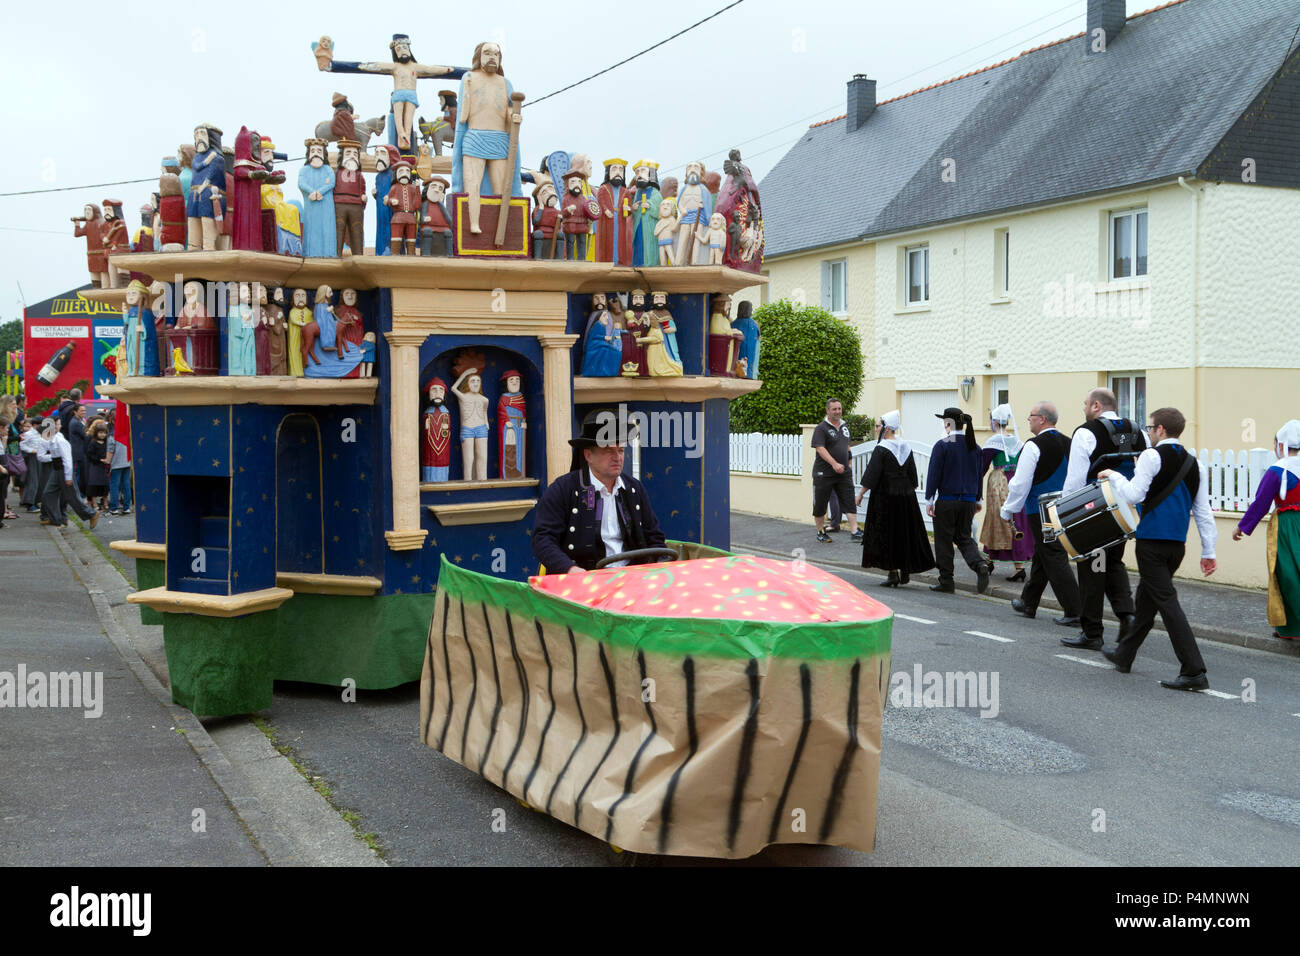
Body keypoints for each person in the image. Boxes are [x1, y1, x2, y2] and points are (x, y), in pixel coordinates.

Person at [1097, 407, 1216, 690]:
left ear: (1161, 429)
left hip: (1151, 544)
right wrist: (1208, 551)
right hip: (1177, 546)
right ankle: (1124, 655)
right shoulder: (1195, 463)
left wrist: (1113, 475)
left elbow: (1134, 494)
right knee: (1147, 602)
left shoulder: (1151, 456)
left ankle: (1194, 670)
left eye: (1150, 429)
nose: (1148, 433)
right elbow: (1203, 512)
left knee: (1167, 603)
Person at [1061, 387, 1148, 650]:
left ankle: (1092, 632)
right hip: (1125, 509)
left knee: (1092, 568)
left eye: (1086, 404)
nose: (1084, 408)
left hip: (1094, 508)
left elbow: (1075, 479)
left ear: (1096, 406)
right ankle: (1127, 614)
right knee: (1113, 562)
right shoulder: (1140, 431)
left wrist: (1066, 512)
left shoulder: (1086, 432)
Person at [532, 410, 667, 574]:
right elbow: (543, 539)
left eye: (620, 450)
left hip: (632, 578)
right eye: (609, 451)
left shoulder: (634, 489)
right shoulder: (563, 489)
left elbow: (654, 537)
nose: (617, 457)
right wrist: (570, 569)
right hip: (585, 581)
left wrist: (659, 566)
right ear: (588, 455)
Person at [1001, 402, 1082, 624]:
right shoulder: (1070, 443)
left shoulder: (1034, 446)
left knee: (1053, 555)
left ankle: (1075, 610)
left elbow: (1021, 482)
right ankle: (1029, 601)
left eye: (1031, 415)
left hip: (1040, 508)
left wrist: (1008, 509)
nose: (1028, 419)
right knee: (1043, 553)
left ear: (1042, 419)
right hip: (1064, 506)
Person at [1233, 420, 1300, 639]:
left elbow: (1261, 502)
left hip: (1288, 526)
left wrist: (1243, 526)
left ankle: (1293, 628)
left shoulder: (1277, 471)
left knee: (1288, 574)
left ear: (1281, 445)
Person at [857, 410, 934, 586]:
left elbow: (872, 473)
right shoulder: (906, 447)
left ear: (887, 428)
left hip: (886, 497)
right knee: (904, 533)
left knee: (888, 534)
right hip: (906, 496)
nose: (877, 429)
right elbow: (913, 476)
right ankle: (905, 569)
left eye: (878, 426)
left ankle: (892, 573)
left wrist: (861, 493)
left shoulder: (882, 448)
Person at [926, 407, 989, 593]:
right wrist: (978, 499)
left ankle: (946, 580)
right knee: (964, 537)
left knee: (944, 540)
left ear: (948, 423)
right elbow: (979, 475)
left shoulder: (943, 445)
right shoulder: (975, 448)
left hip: (947, 500)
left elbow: (933, 475)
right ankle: (979, 564)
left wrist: (929, 500)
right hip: (968, 500)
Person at [980, 404, 1032, 581]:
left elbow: (982, 466)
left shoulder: (993, 441)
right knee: (1016, 519)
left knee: (997, 519)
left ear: (994, 422)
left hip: (999, 481)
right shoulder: (1018, 442)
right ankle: (1015, 565)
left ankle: (990, 561)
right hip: (1016, 480)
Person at [811, 398, 860, 544]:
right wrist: (834, 463)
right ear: (828, 411)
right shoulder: (821, 428)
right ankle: (820, 532)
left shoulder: (844, 426)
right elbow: (820, 448)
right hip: (824, 474)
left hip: (843, 473)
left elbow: (847, 446)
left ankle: (855, 531)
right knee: (820, 504)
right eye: (834, 409)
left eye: (839, 408)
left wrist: (849, 464)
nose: (838, 411)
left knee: (849, 500)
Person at [41, 417, 98, 530]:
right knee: (48, 494)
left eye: (58, 424)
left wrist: (68, 476)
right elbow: (42, 454)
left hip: (63, 469)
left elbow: (67, 460)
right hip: (56, 469)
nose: (58, 426)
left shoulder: (61, 441)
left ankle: (91, 514)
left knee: (72, 497)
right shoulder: (51, 439)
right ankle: (57, 519)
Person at [84, 420, 111, 512]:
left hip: (104, 467)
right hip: (95, 466)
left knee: (105, 486)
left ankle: (105, 503)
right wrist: (99, 460)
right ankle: (95, 504)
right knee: (94, 485)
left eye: (104, 433)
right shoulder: (93, 443)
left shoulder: (107, 443)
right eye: (100, 433)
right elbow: (90, 455)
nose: (102, 435)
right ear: (96, 433)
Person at [106, 420, 132, 515]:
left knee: (114, 485)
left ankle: (114, 508)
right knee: (126, 485)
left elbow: (110, 450)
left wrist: (107, 461)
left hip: (116, 463)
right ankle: (127, 507)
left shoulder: (112, 435)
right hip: (127, 462)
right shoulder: (128, 433)